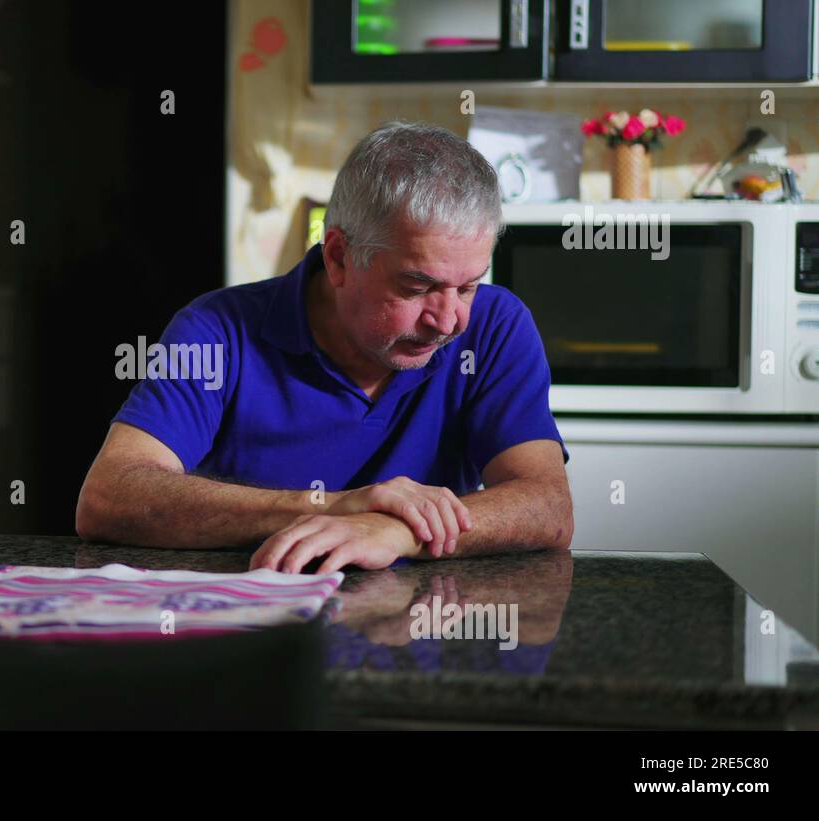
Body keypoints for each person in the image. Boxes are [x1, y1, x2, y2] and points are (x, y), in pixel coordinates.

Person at [76, 122, 572, 574]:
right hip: (253, 634)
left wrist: (396, 530)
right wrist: (334, 506)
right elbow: (109, 496)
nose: (448, 321)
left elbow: (548, 506)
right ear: (339, 257)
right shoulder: (215, 330)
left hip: (423, 640)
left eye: (467, 286)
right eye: (417, 286)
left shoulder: (496, 325)